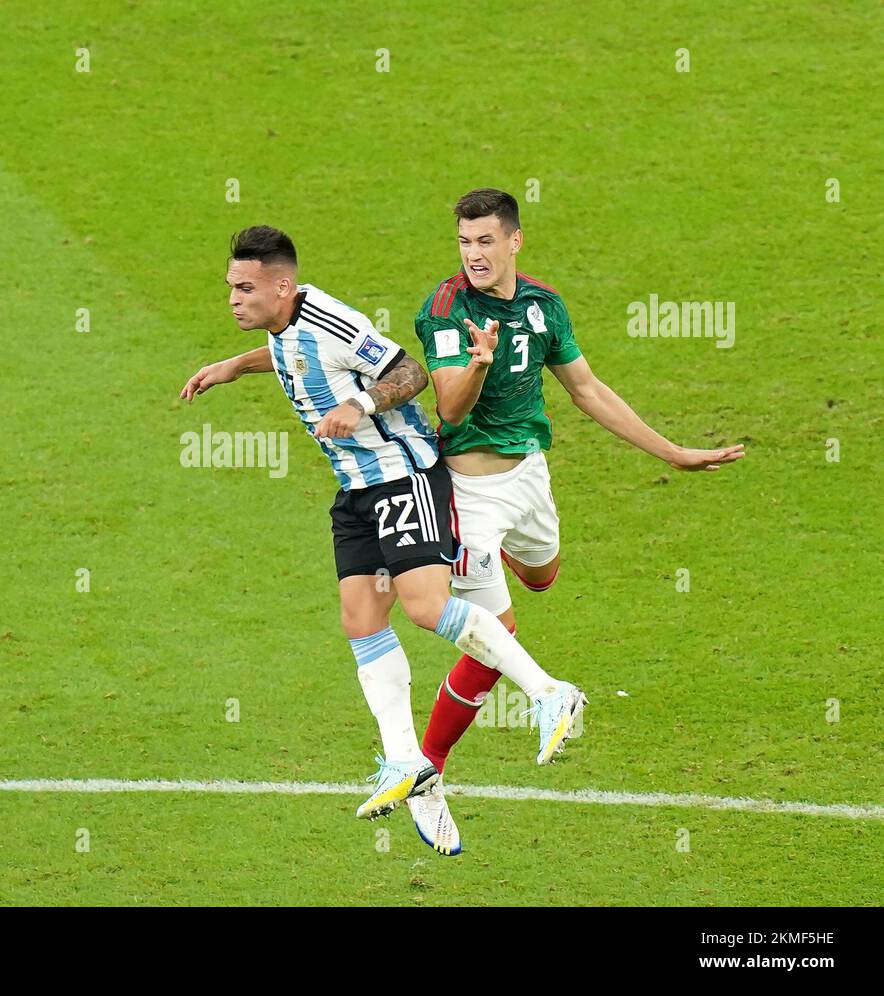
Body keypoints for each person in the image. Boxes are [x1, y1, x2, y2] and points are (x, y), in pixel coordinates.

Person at [181, 225, 583, 855]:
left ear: (281, 285)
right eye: (231, 287)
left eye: (244, 287)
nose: (233, 298)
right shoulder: (284, 326)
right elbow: (293, 355)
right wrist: (235, 365)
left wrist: (363, 406)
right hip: (356, 491)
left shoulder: (326, 317)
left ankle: (550, 693)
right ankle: (408, 766)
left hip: (402, 477)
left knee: (426, 609)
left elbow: (408, 372)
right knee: (361, 619)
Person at [415, 188, 744, 774]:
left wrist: (671, 453)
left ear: (515, 240)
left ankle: (490, 566)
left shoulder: (545, 305)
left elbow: (586, 390)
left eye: (486, 241)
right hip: (469, 495)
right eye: (465, 242)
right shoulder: (447, 309)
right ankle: (427, 764)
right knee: (492, 637)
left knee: (542, 577)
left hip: (529, 477)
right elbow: (450, 411)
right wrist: (479, 362)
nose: (474, 255)